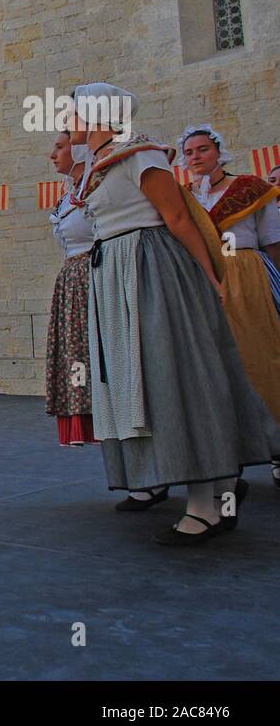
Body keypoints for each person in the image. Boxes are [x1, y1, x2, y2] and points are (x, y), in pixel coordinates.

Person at [68, 83, 278, 543]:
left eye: (74, 113)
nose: (67, 122)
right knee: (143, 382)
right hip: (118, 274)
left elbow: (178, 218)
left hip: (152, 270)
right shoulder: (94, 169)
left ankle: (206, 504)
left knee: (172, 375)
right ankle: (220, 491)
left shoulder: (142, 155)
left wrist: (211, 276)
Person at [180, 124, 280, 492]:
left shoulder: (250, 189)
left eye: (202, 149)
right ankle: (224, 454)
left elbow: (273, 241)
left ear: (218, 151)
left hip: (245, 273)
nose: (195, 157)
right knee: (212, 365)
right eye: (189, 152)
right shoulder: (183, 197)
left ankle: (276, 448)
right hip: (201, 279)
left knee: (260, 358)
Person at [44, 132, 98, 449]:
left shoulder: (98, 189)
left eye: (60, 147)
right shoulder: (65, 199)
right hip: (73, 282)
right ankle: (86, 418)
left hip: (99, 273)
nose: (53, 154)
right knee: (78, 357)